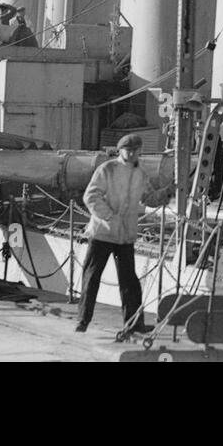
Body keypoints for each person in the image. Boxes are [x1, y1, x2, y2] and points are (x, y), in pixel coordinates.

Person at [76, 133, 174, 334]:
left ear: (139, 151)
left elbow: (149, 198)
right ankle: (82, 321)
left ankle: (134, 324)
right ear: (120, 150)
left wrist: (166, 193)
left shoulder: (141, 174)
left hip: (125, 236)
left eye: (134, 150)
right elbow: (91, 196)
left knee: (129, 281)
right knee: (91, 278)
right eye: (127, 150)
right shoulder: (107, 169)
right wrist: (109, 217)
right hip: (102, 233)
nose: (130, 153)